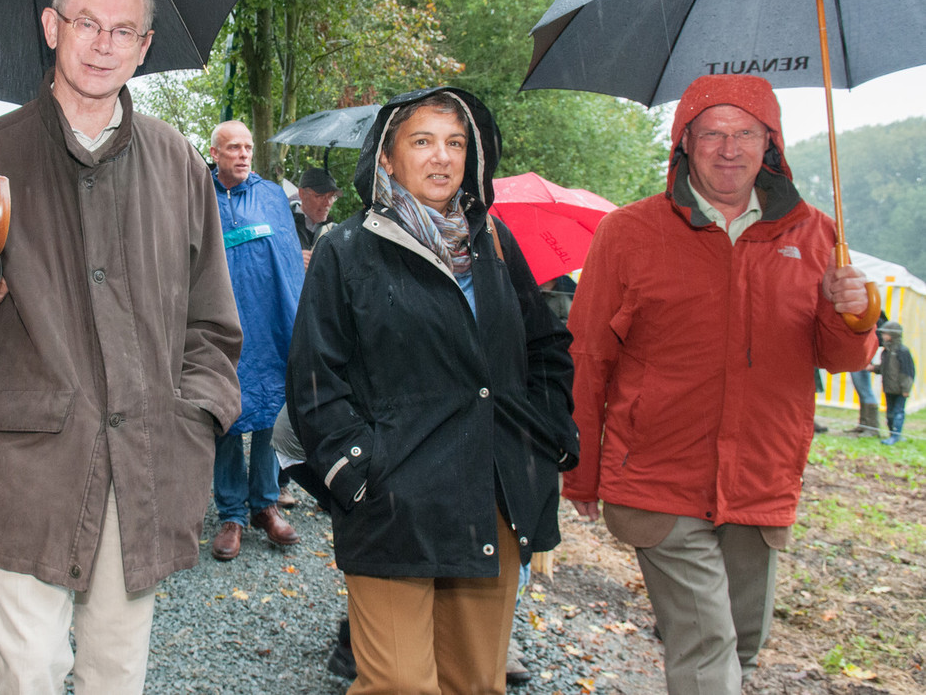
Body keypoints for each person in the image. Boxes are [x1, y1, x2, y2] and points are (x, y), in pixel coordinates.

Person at [0, 0, 242, 695]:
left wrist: (195, 415)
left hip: (144, 463)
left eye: (122, 29)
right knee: (28, 674)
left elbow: (213, 323)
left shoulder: (178, 163)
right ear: (49, 26)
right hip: (24, 473)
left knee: (114, 676)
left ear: (144, 44)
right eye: (86, 22)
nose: (102, 43)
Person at [563, 74, 877, 695]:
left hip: (760, 477)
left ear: (771, 144)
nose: (728, 148)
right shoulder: (630, 232)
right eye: (711, 133)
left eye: (745, 134)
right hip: (656, 476)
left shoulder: (815, 235)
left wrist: (854, 314)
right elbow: (589, 355)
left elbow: (842, 359)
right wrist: (582, 468)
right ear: (685, 144)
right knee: (709, 651)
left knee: (743, 651)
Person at [287, 86, 576, 695]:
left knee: (476, 681)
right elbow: (315, 378)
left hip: (488, 494)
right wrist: (357, 471)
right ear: (387, 159)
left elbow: (546, 347)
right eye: (422, 142)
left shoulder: (494, 244)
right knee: (398, 683)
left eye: (455, 143)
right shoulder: (349, 249)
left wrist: (546, 437)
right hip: (391, 497)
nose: (441, 157)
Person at [207, 120, 303, 562]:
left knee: (268, 406)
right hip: (219, 326)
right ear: (215, 153)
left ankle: (264, 503)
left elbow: (287, 260)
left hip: (268, 326)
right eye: (233, 148)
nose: (243, 155)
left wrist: (296, 318)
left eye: (248, 147)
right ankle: (231, 514)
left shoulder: (270, 197)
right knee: (224, 412)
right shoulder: (199, 195)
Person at [873, 321, 915, 445]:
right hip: (889, 388)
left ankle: (896, 435)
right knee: (890, 413)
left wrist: (906, 389)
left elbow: (908, 371)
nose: (883, 336)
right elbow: (884, 368)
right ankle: (892, 433)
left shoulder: (902, 351)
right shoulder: (885, 351)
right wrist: (873, 368)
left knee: (898, 413)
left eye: (885, 333)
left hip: (900, 390)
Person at [293, 166, 339, 269]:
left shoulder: (336, 232)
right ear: (302, 194)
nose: (327, 203)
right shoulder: (281, 224)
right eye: (320, 196)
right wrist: (290, 260)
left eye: (332, 196)